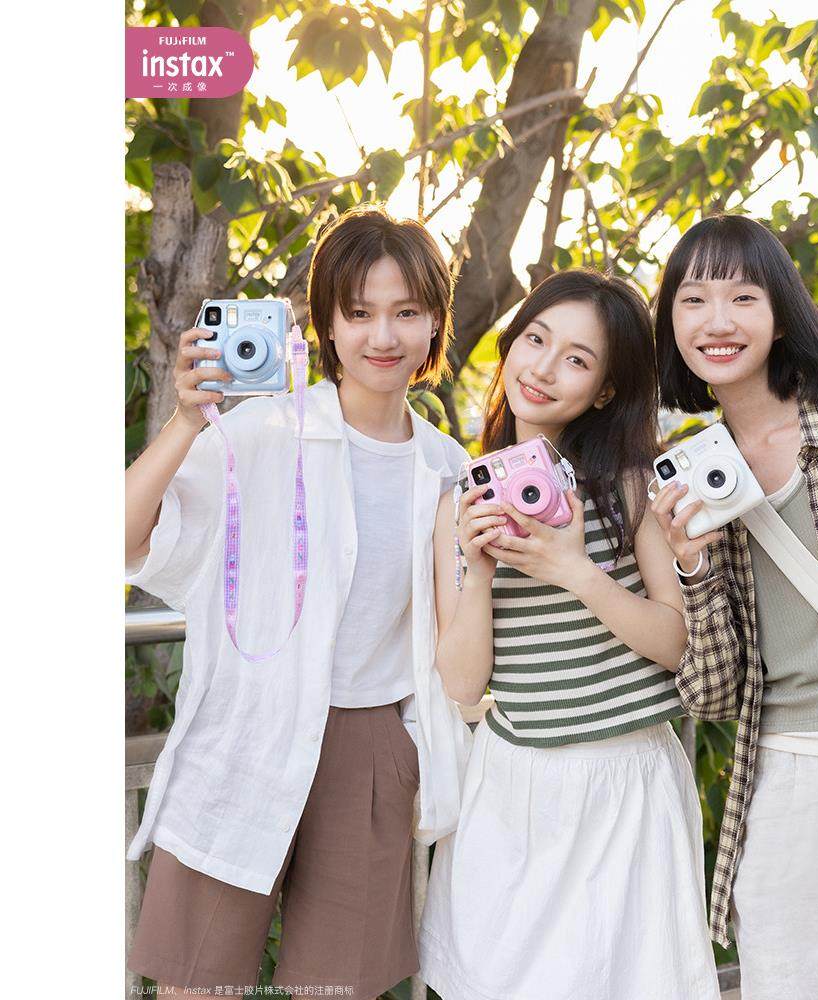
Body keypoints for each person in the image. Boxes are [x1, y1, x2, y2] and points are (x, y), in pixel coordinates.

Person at [124, 205, 471, 999]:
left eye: (406, 312)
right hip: (246, 728)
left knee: (336, 991)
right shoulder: (262, 431)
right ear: (326, 327)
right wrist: (185, 421)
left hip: (369, 745)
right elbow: (123, 541)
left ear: (434, 325)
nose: (382, 336)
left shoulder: (448, 468)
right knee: (197, 987)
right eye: (359, 312)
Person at [418, 270, 721, 1000]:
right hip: (514, 789)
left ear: (606, 390)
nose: (544, 369)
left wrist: (577, 571)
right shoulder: (462, 501)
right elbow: (461, 682)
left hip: (627, 783)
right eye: (535, 339)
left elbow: (679, 644)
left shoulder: (631, 486)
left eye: (577, 359)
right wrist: (477, 572)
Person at [650, 214, 818, 1000]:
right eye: (693, 300)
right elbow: (711, 694)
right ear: (671, 324)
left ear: (780, 314)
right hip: (778, 776)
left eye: (743, 297)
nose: (717, 320)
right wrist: (691, 563)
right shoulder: (687, 477)